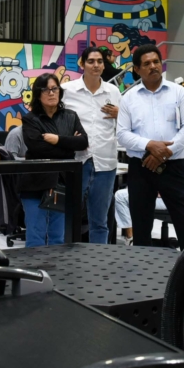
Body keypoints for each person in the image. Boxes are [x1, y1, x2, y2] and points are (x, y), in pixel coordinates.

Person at [116, 44, 184, 248]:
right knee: (141, 224)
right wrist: (150, 145)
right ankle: (143, 271)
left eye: (156, 62)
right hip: (141, 169)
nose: (153, 66)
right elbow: (122, 134)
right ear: (136, 69)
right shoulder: (128, 98)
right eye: (147, 63)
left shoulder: (179, 93)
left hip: (174, 167)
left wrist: (164, 153)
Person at [62, 47, 121, 244]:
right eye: (91, 61)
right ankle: (65, 260)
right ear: (82, 64)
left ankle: (98, 264)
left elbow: (125, 124)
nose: (96, 65)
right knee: (67, 216)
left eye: (100, 61)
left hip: (105, 162)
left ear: (104, 65)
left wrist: (120, 114)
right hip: (76, 162)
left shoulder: (113, 91)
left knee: (100, 221)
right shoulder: (67, 90)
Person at [21, 73, 88, 247]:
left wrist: (57, 139)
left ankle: (55, 274)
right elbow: (37, 147)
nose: (51, 93)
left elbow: (83, 142)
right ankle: (32, 274)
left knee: (58, 237)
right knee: (35, 237)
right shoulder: (31, 119)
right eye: (45, 89)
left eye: (54, 88)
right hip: (36, 182)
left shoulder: (70, 116)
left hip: (63, 183)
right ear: (38, 93)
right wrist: (68, 143)